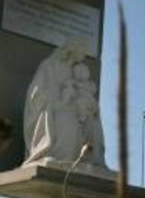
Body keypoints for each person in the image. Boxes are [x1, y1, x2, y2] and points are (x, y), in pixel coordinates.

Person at [21, 35, 107, 169]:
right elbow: (36, 93)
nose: (84, 54)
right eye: (82, 49)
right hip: (50, 107)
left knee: (92, 118)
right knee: (68, 118)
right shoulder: (49, 65)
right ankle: (60, 155)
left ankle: (90, 159)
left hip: (71, 105)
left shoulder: (76, 69)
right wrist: (56, 100)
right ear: (73, 49)